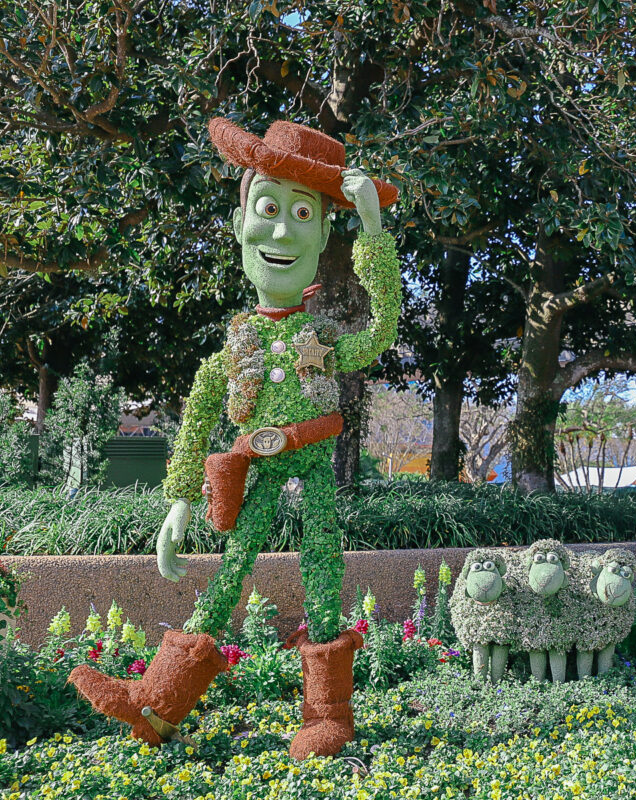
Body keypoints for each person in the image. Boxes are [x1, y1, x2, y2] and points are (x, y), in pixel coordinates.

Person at [68, 118, 402, 760]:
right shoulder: (232, 348)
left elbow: (382, 325)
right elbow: (196, 426)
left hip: (312, 471)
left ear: (325, 232)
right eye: (267, 208)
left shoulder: (325, 340)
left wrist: (374, 228)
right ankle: (157, 705)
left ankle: (326, 716)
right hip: (256, 472)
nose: (281, 231)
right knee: (226, 582)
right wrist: (179, 505)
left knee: (323, 575)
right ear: (238, 221)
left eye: (302, 213)